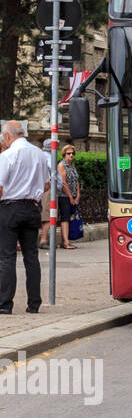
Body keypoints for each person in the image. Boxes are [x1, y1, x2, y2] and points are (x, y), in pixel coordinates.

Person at [0, 121, 52, 314]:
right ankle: (34, 304)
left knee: (7, 257)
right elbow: (47, 184)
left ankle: (5, 305)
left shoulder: (7, 155)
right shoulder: (39, 154)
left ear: (7, 136)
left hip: (10, 208)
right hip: (32, 208)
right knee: (31, 257)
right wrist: (33, 191)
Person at [56, 144, 80, 250]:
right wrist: (70, 196)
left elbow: (77, 180)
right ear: (64, 154)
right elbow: (63, 182)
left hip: (73, 195)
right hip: (64, 195)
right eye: (68, 153)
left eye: (72, 153)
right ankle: (66, 242)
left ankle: (63, 241)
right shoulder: (62, 165)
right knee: (65, 218)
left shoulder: (72, 165)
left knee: (69, 218)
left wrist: (78, 195)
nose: (71, 155)